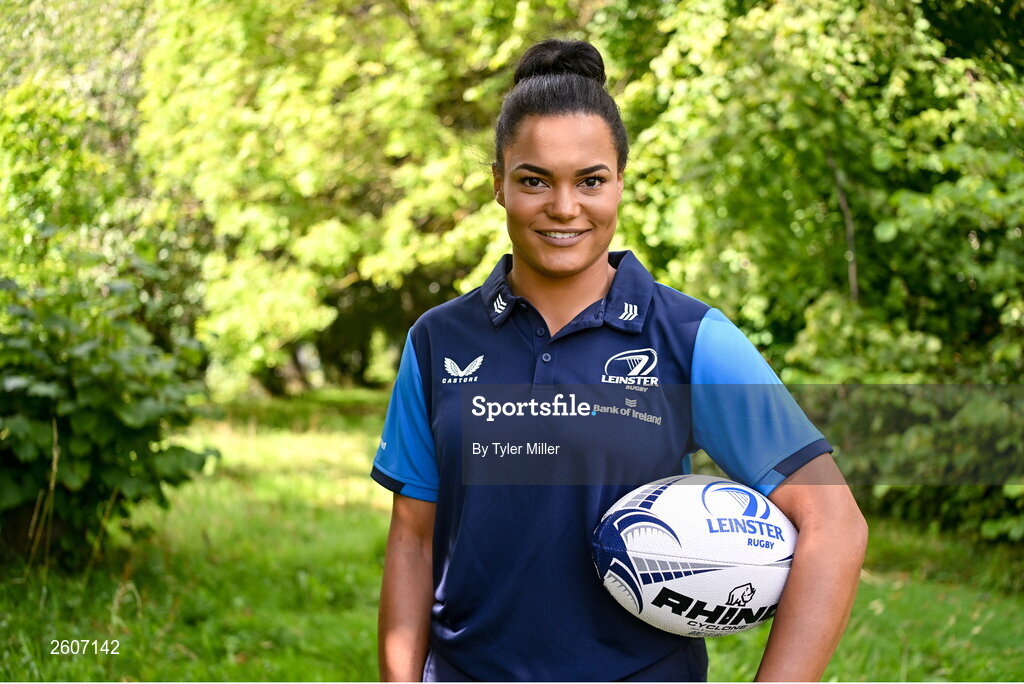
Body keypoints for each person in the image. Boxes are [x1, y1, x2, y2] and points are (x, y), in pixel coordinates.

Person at [372, 39, 867, 682]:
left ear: (620, 184)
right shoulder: (439, 340)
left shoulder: (689, 337)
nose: (564, 207)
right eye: (534, 180)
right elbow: (413, 541)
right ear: (498, 184)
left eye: (591, 180)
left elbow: (833, 524)